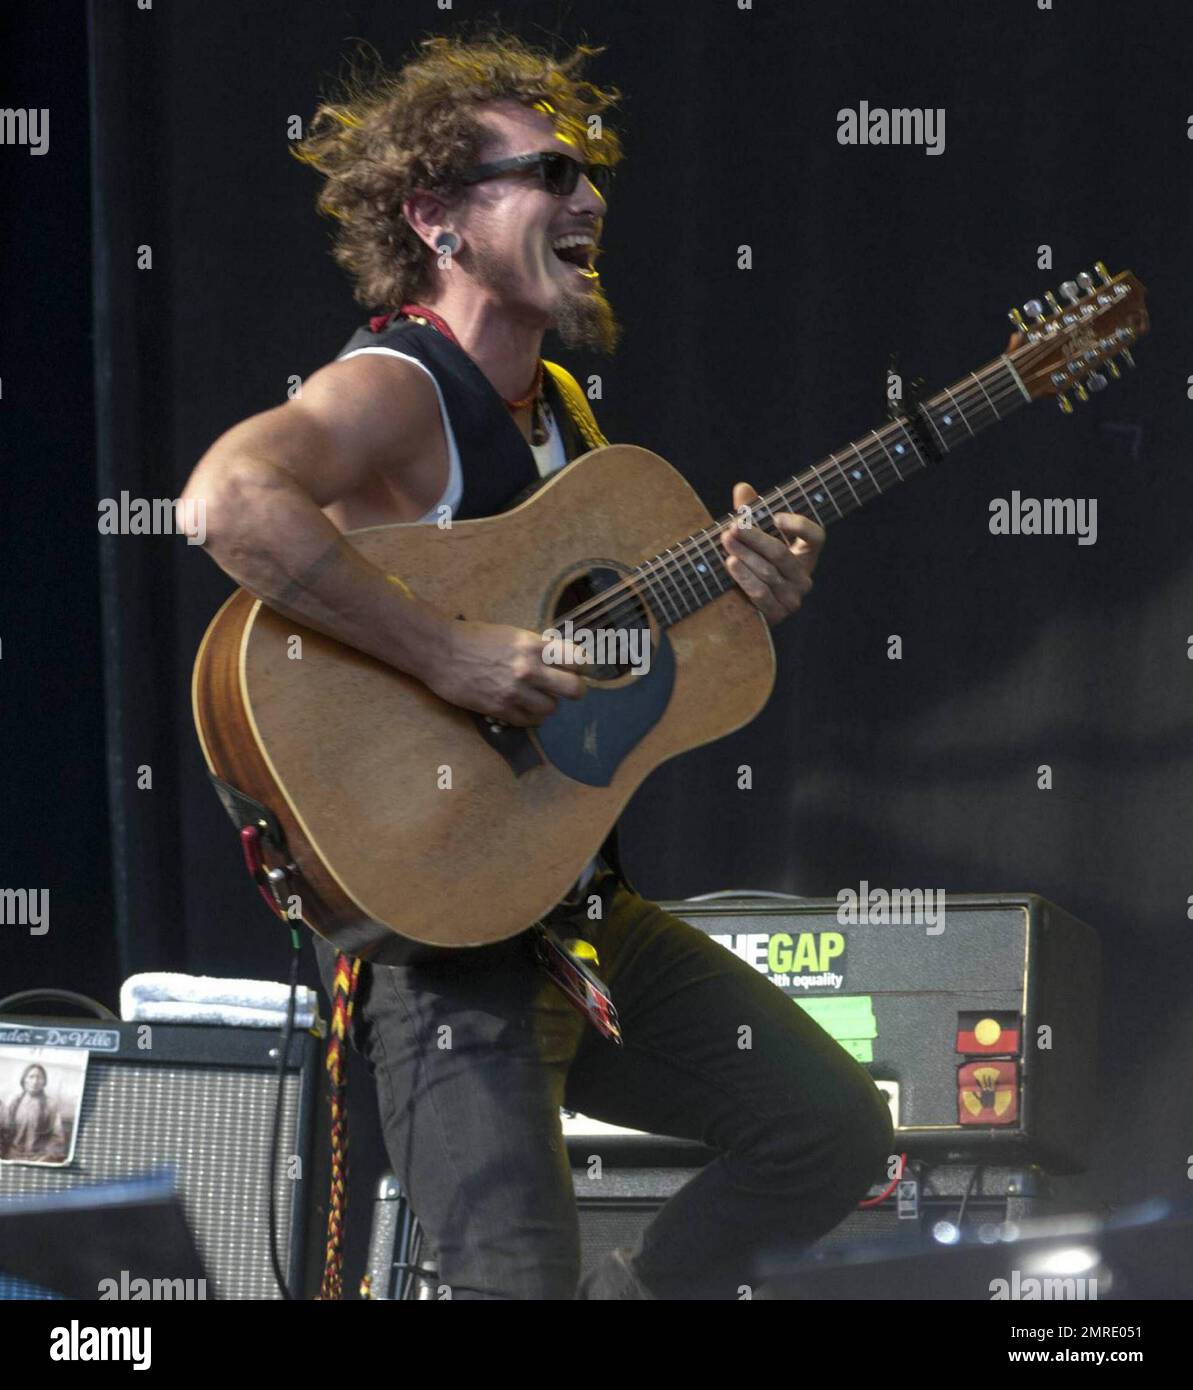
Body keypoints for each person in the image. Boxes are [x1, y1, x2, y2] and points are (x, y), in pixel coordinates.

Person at [182, 29, 893, 1299]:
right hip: (440, 938)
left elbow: (586, 649)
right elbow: (226, 501)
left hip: (568, 910)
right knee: (511, 1277)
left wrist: (741, 595)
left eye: (594, 175)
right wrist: (445, 653)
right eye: (552, 174)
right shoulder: (400, 385)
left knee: (828, 1128)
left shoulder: (561, 407)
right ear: (438, 218)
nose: (591, 199)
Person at [2, 1063, 69, 1164]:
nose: (35, 1081)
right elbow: (3, 1130)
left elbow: (58, 1137)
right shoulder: (14, 1102)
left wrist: (45, 1157)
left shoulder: (51, 1105)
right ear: (24, 1080)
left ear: (44, 1082)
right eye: (31, 1077)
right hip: (12, 1155)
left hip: (39, 1158)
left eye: (39, 1078)